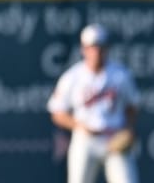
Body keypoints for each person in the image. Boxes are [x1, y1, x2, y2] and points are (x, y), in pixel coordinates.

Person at [48, 24, 141, 183]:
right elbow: (57, 112)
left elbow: (132, 106)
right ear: (84, 49)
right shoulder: (73, 76)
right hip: (86, 140)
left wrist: (128, 128)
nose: (96, 52)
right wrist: (79, 126)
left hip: (114, 137)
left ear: (107, 48)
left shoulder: (120, 75)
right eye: (92, 47)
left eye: (100, 47)